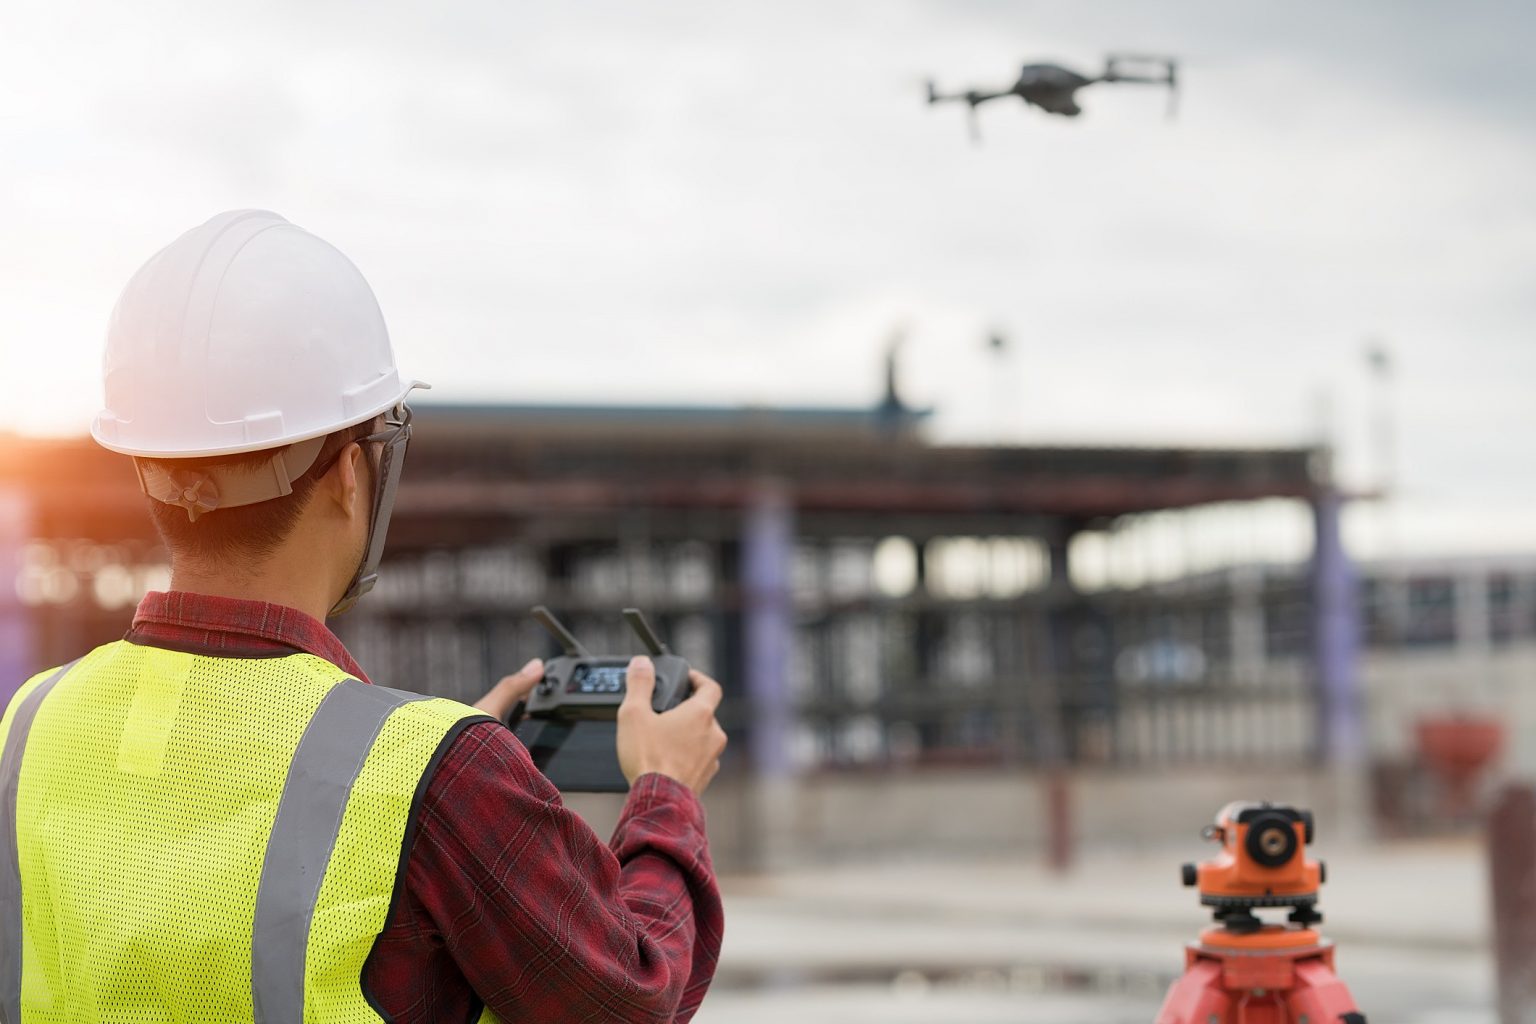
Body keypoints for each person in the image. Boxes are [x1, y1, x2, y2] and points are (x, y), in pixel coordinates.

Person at [0, 210, 728, 1023]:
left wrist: (432, 768)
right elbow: (634, 998)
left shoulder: (29, 729)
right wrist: (665, 789)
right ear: (352, 473)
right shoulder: (441, 777)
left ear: (149, 468)